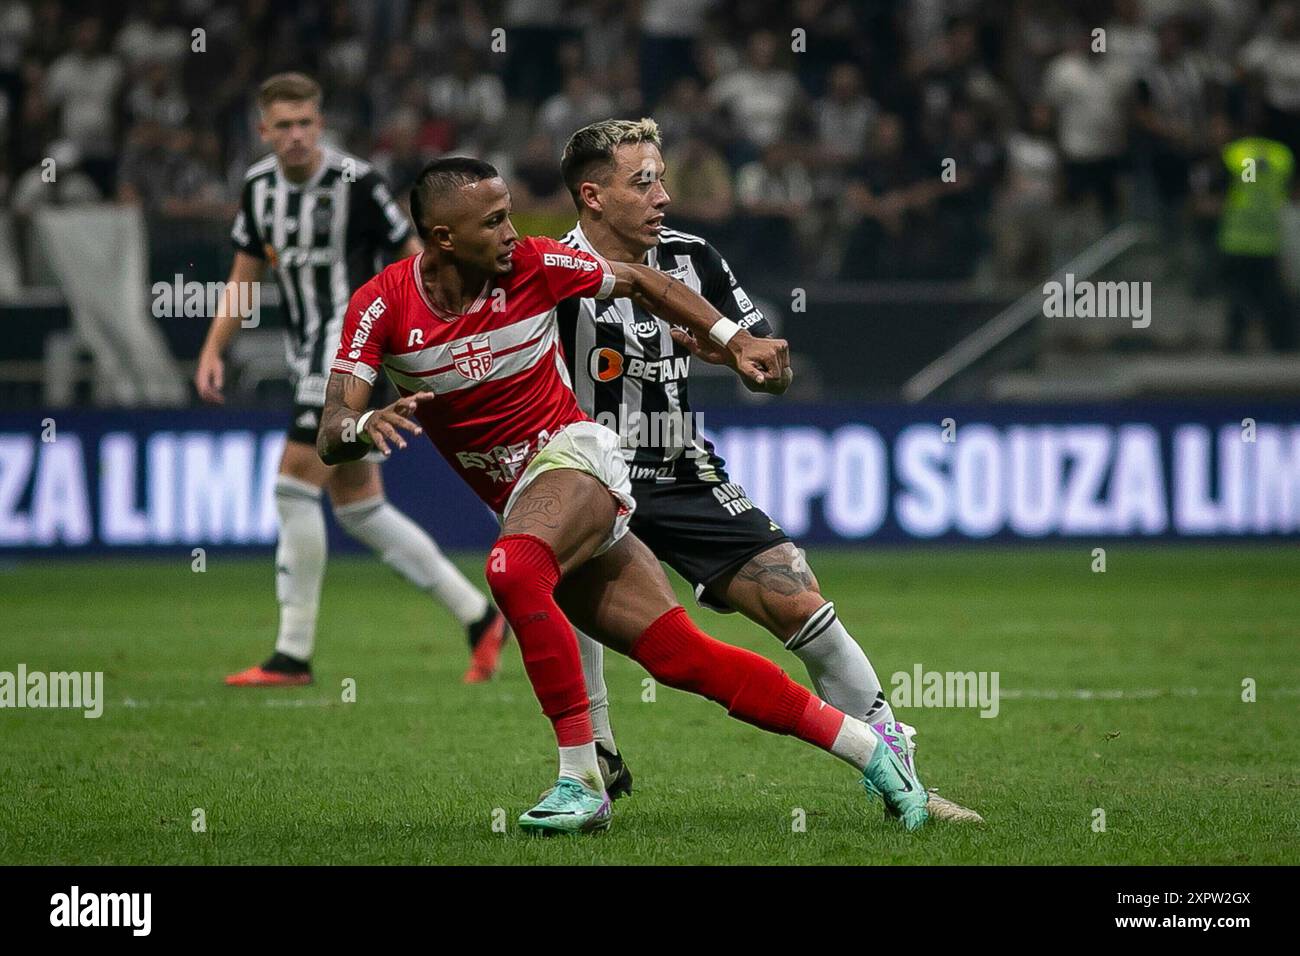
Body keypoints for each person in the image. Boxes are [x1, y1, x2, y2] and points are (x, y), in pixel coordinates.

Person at [317, 156, 931, 835]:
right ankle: (873, 752)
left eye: (511, 214)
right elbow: (331, 431)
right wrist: (363, 424)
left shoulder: (534, 267)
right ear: (442, 238)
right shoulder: (380, 305)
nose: (512, 233)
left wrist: (733, 338)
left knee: (513, 569)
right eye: (493, 222)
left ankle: (581, 779)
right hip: (524, 498)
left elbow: (641, 280)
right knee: (679, 657)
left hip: (577, 459)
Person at [554, 117, 981, 823]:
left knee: (799, 598)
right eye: (643, 182)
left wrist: (757, 365)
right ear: (593, 197)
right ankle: (593, 754)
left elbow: (761, 364)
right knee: (565, 579)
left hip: (678, 467)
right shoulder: (551, 272)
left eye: (661, 177)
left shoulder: (694, 257)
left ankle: (898, 773)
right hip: (584, 470)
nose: (664, 194)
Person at [195, 73, 508, 687]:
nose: (295, 137)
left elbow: (413, 258)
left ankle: (292, 653)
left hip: (350, 356)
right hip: (305, 353)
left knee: (291, 488)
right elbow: (244, 276)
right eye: (282, 126)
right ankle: (478, 617)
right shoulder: (259, 189)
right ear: (263, 131)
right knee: (360, 508)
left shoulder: (356, 183)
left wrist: (418, 338)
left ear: (320, 123)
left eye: (305, 123)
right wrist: (214, 349)